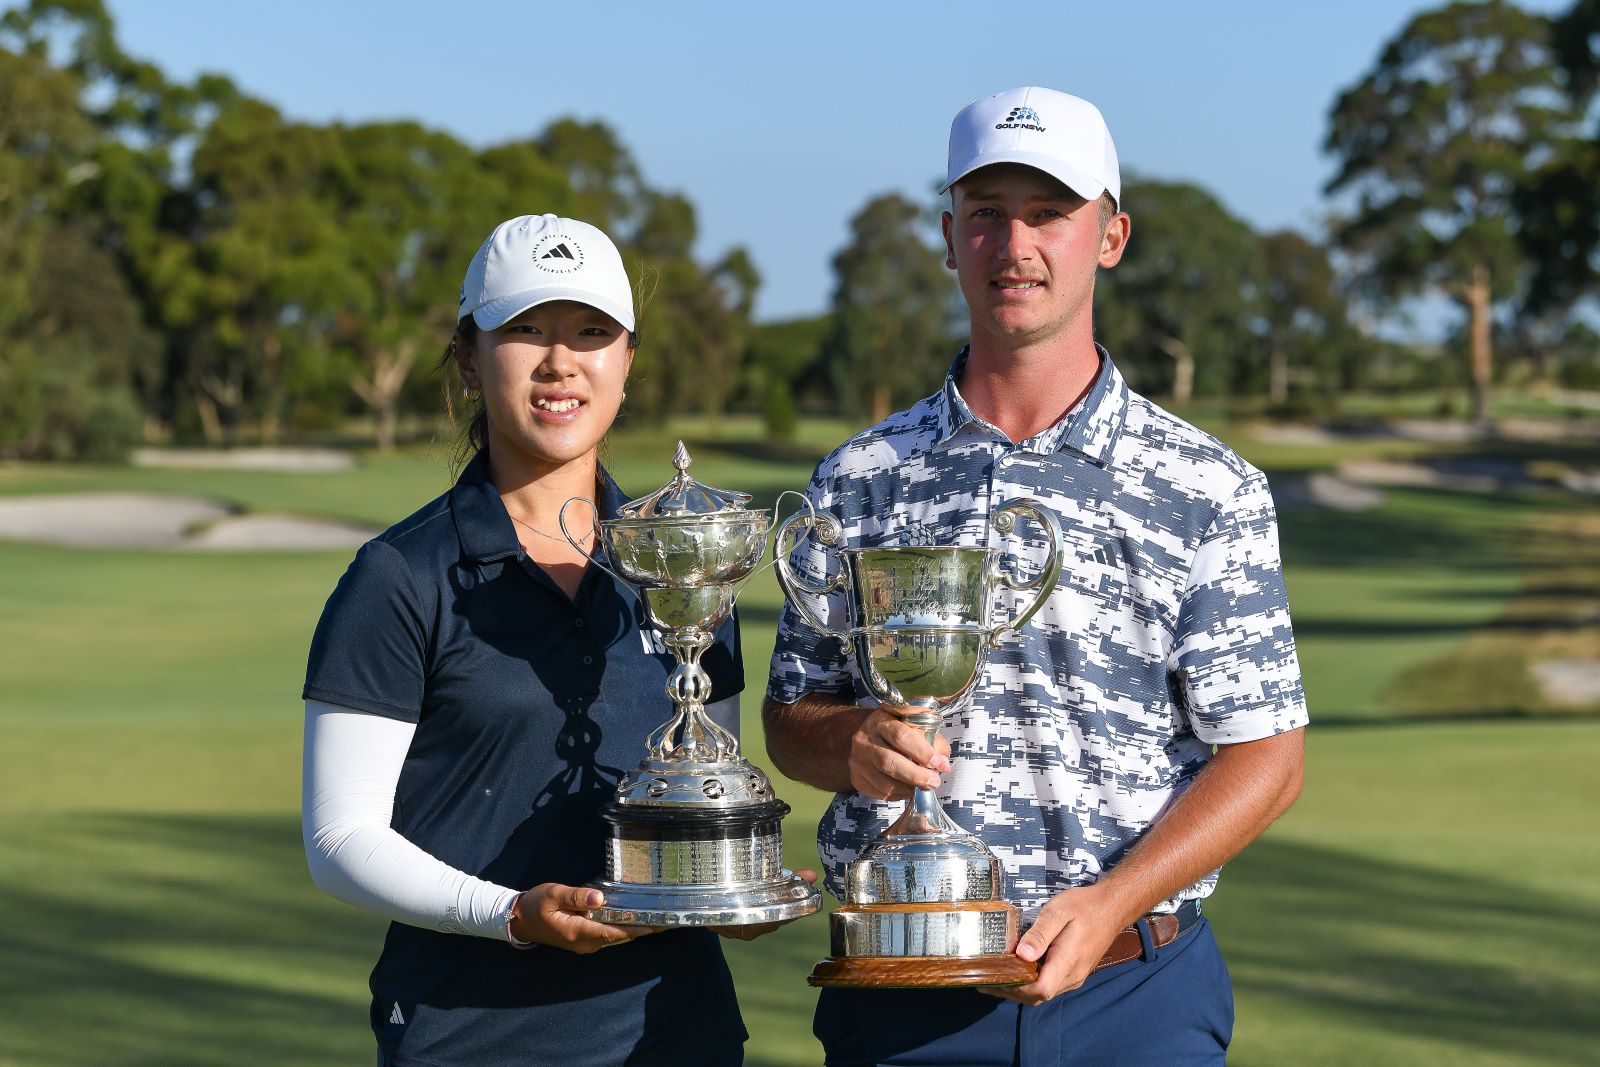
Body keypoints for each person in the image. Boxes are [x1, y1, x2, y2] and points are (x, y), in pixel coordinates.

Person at [762, 87, 1309, 1065]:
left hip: (1133, 991)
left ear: (1109, 235)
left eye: (1048, 213)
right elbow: (789, 721)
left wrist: (1111, 903)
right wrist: (851, 743)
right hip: (901, 992)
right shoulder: (855, 480)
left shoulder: (1207, 485)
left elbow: (1265, 757)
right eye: (986, 214)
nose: (1014, 243)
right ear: (948, 237)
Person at [302, 214, 786, 1067]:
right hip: (473, 1035)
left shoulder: (686, 565)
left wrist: (727, 890)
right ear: (468, 354)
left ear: (627, 361)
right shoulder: (399, 576)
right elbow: (341, 841)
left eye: (591, 333)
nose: (562, 362)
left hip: (677, 1034)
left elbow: (705, 803)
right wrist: (510, 912)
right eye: (526, 330)